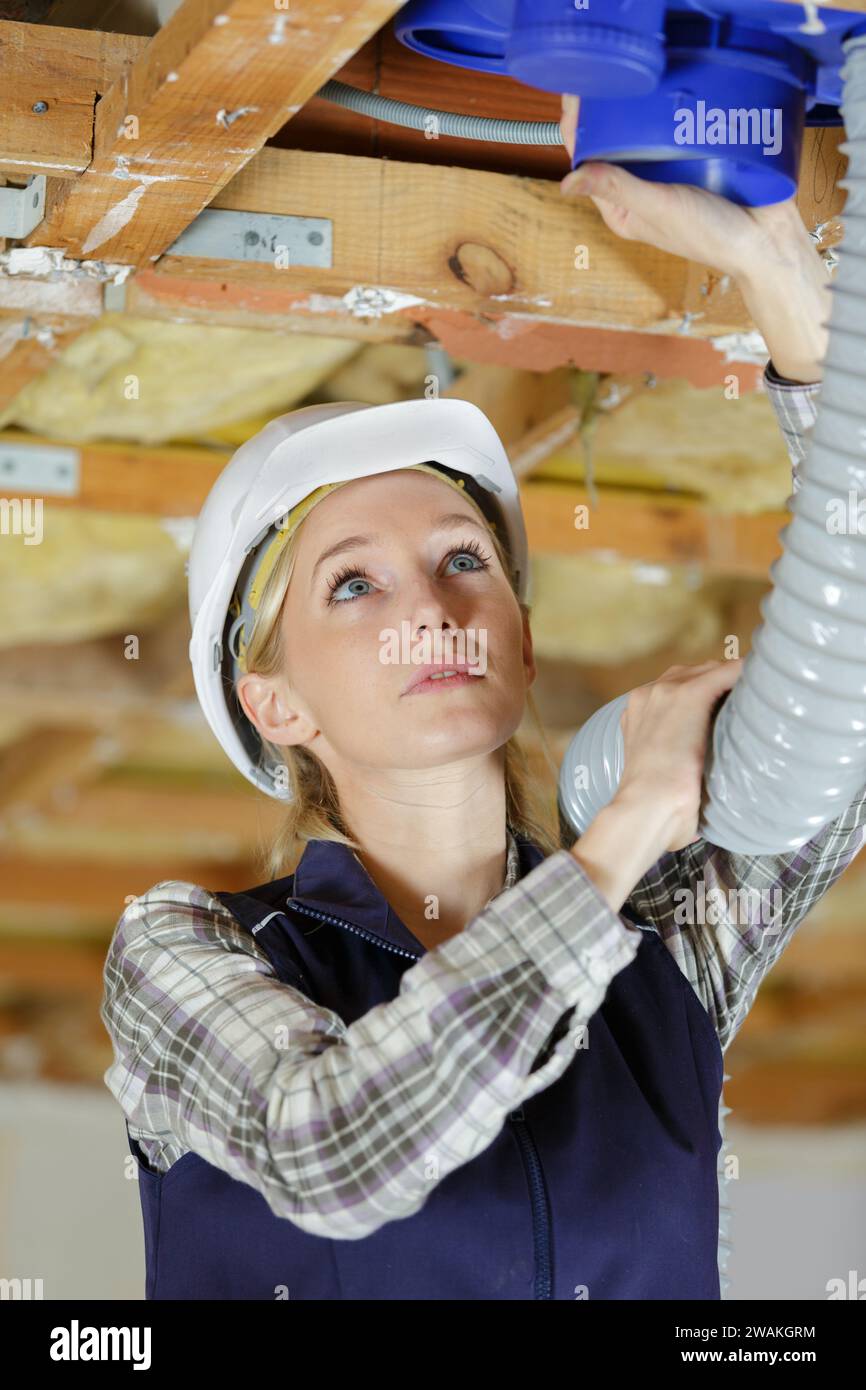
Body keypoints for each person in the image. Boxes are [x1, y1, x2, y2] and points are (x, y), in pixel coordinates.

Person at [100, 104, 866, 1301]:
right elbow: (333, 1154)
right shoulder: (186, 952)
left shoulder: (658, 952)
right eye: (352, 582)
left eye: (464, 559)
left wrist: (783, 290)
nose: (432, 608)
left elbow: (847, 690)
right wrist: (614, 847)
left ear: (517, 635)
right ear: (273, 700)